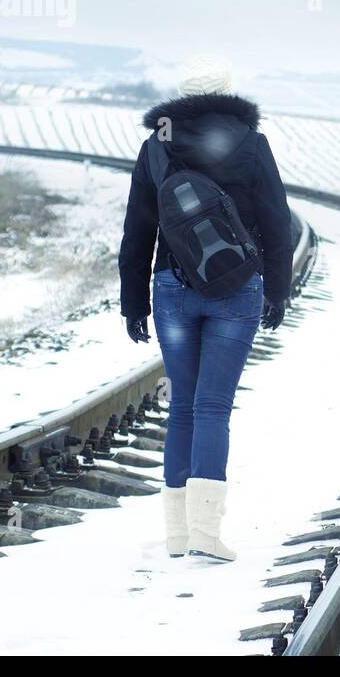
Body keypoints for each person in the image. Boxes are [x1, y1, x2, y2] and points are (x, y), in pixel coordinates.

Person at [118, 55, 293, 562]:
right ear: (227, 92)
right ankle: (204, 533)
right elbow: (277, 222)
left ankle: (177, 534)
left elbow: (137, 231)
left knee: (183, 408)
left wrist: (133, 301)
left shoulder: (156, 146)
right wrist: (277, 291)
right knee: (214, 408)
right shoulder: (250, 143)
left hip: (170, 289)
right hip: (235, 292)